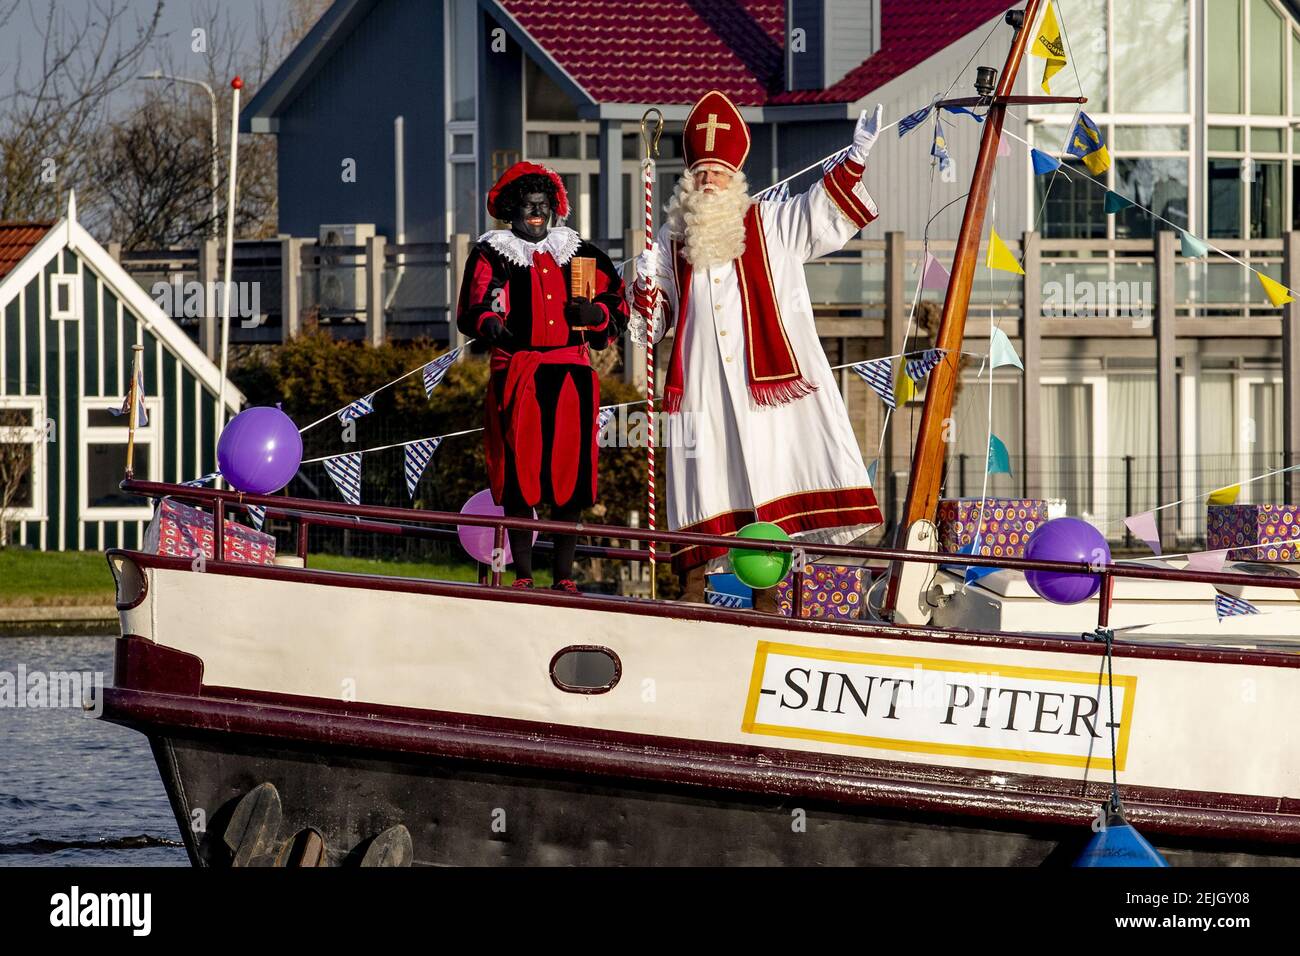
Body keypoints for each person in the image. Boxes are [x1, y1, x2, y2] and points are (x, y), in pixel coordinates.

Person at [628, 90, 884, 609]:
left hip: (769, 385)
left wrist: (854, 157)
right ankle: (692, 590)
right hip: (702, 387)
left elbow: (820, 209)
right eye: (700, 173)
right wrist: (643, 284)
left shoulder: (771, 223)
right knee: (705, 481)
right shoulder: (670, 245)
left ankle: (767, 597)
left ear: (736, 179)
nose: (708, 181)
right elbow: (651, 325)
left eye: (719, 172)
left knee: (773, 473)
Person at [456, 161, 628, 592]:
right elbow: (473, 305)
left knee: (569, 475)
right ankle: (524, 575)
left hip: (571, 374)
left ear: (552, 207)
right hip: (518, 373)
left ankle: (565, 577)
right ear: (512, 209)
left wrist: (598, 313)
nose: (535, 210)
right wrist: (490, 324)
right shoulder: (492, 252)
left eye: (542, 203)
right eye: (527, 203)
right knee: (520, 474)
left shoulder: (580, 252)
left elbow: (617, 300)